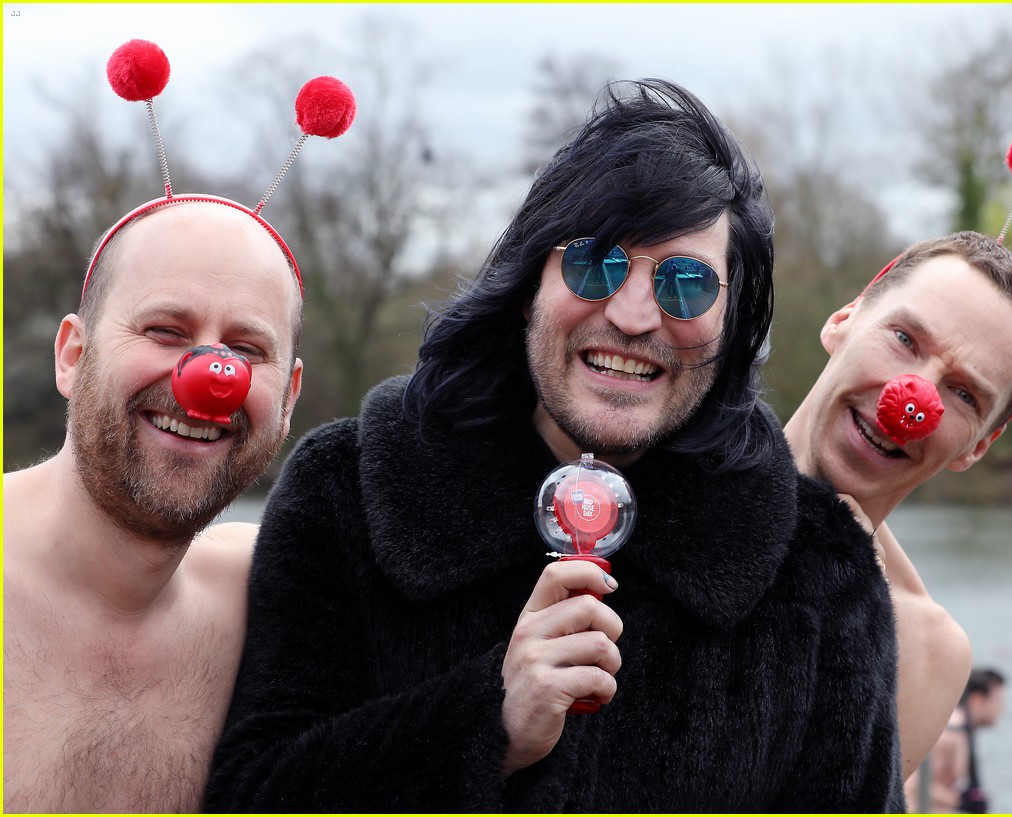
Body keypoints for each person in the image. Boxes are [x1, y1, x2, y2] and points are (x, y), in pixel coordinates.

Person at [205, 79, 905, 811]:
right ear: (529, 278)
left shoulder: (820, 568)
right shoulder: (348, 492)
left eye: (688, 283)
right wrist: (486, 722)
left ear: (733, 323)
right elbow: (251, 793)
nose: (634, 316)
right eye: (594, 263)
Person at [2, 202, 304, 812]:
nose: (211, 376)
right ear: (72, 355)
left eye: (246, 349)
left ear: (289, 398)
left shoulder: (283, 598)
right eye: (166, 332)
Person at [784, 232, 1012, 780]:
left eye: (963, 394)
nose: (910, 402)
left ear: (978, 445)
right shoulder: (640, 469)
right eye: (905, 339)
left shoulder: (925, 652)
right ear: (845, 319)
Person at [906, 668, 1007, 813]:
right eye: (998, 702)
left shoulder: (956, 727)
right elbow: (913, 783)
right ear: (977, 699)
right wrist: (961, 802)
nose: (1001, 709)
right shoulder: (953, 734)